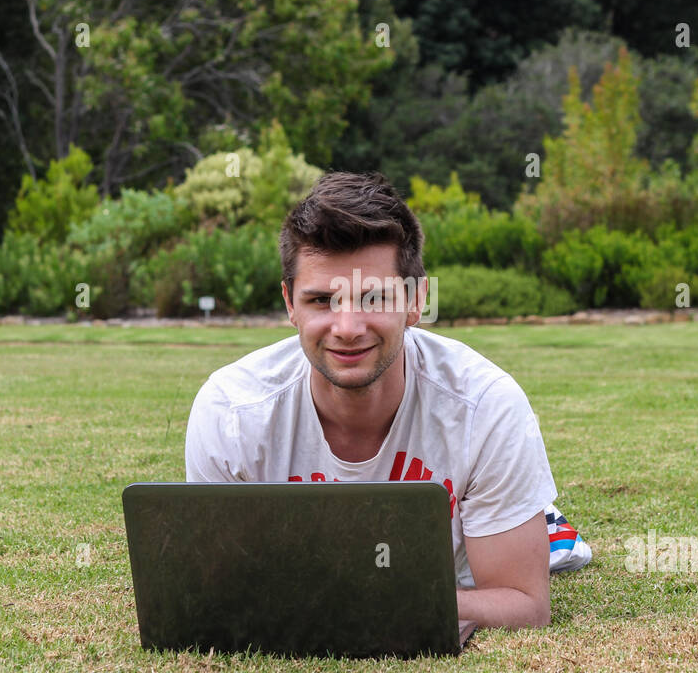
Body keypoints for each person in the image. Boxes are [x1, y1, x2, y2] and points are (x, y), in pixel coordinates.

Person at [184, 171, 591, 631]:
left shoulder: (486, 406)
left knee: (533, 543)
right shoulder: (230, 410)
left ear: (416, 301)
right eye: (321, 300)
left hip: (460, 562)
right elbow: (217, 591)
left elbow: (524, 605)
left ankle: (545, 527)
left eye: (374, 297)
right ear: (289, 303)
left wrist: (369, 598)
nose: (347, 327)